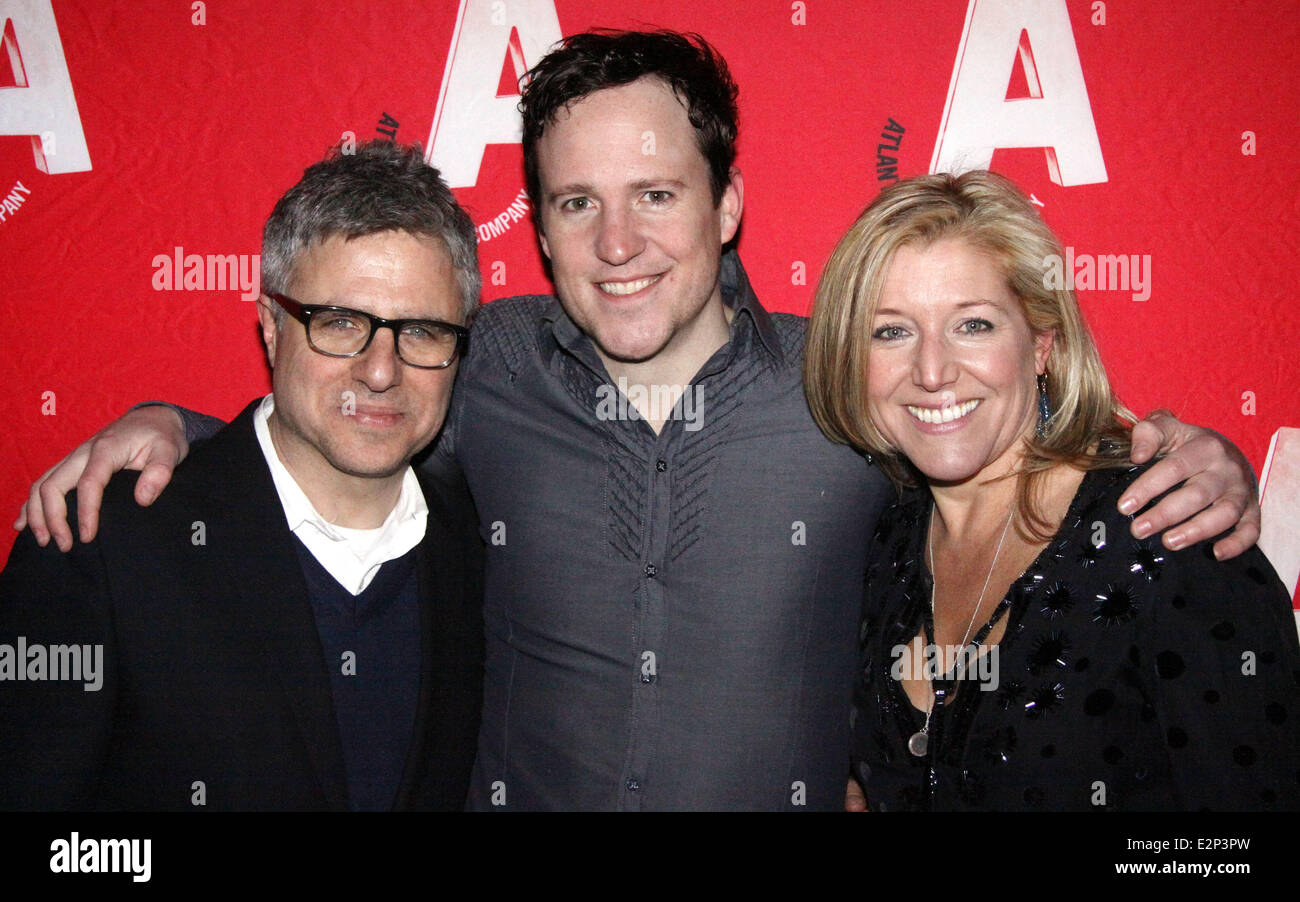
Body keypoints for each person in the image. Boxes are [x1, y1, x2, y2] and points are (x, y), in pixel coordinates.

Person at [14, 32, 1263, 811]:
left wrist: (1186, 451)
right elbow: (343, 390)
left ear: (726, 207)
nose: (617, 245)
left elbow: (995, 434)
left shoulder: (850, 391)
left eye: (657, 194)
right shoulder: (472, 359)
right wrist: (169, 422)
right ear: (539, 225)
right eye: (575, 202)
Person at [0, 141, 485, 811]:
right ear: (269, 329)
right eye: (339, 324)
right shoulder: (100, 541)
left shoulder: (481, 541)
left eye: (423, 331)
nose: (380, 371)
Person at [804, 170, 1299, 811]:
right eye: (891, 331)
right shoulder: (881, 543)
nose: (932, 371)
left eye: (973, 325)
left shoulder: (1167, 534)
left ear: (1041, 343)